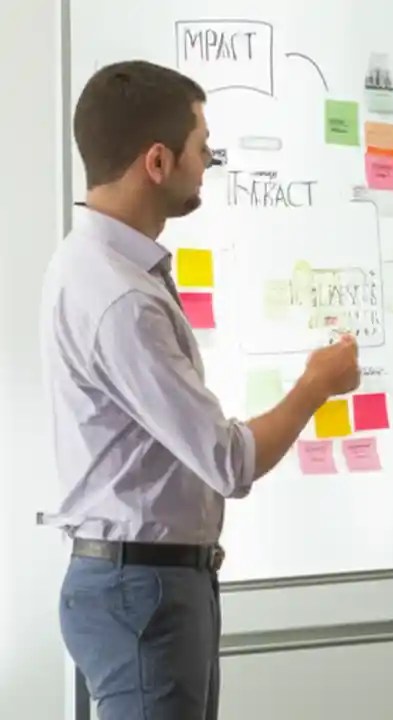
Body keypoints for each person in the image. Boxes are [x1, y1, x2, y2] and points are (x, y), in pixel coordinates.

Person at [39, 60, 362, 720]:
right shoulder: (121, 296)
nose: (209, 160)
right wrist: (316, 384)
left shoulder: (99, 265)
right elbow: (230, 462)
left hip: (148, 585)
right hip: (143, 592)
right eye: (202, 145)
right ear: (157, 161)